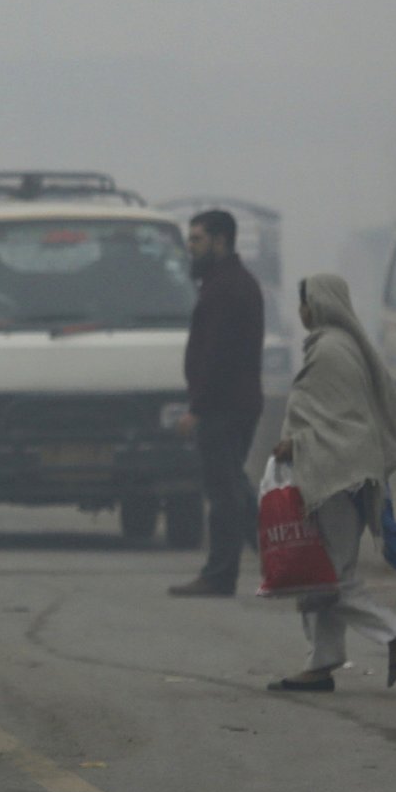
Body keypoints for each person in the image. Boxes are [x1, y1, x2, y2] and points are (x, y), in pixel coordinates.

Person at [268, 273, 396, 693]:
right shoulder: (335, 345)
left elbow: (336, 423)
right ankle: (321, 663)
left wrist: (293, 444)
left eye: (303, 302)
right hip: (338, 473)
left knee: (329, 578)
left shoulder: (331, 350)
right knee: (322, 571)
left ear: (315, 304)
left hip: (337, 476)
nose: (299, 311)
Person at [169, 210, 266, 597]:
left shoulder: (226, 289)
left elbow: (218, 356)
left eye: (197, 240)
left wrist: (198, 407)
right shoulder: (227, 283)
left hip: (223, 407)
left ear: (220, 241)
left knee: (224, 495)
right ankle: (282, 559)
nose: (190, 248)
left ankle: (220, 575)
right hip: (236, 403)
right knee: (235, 488)